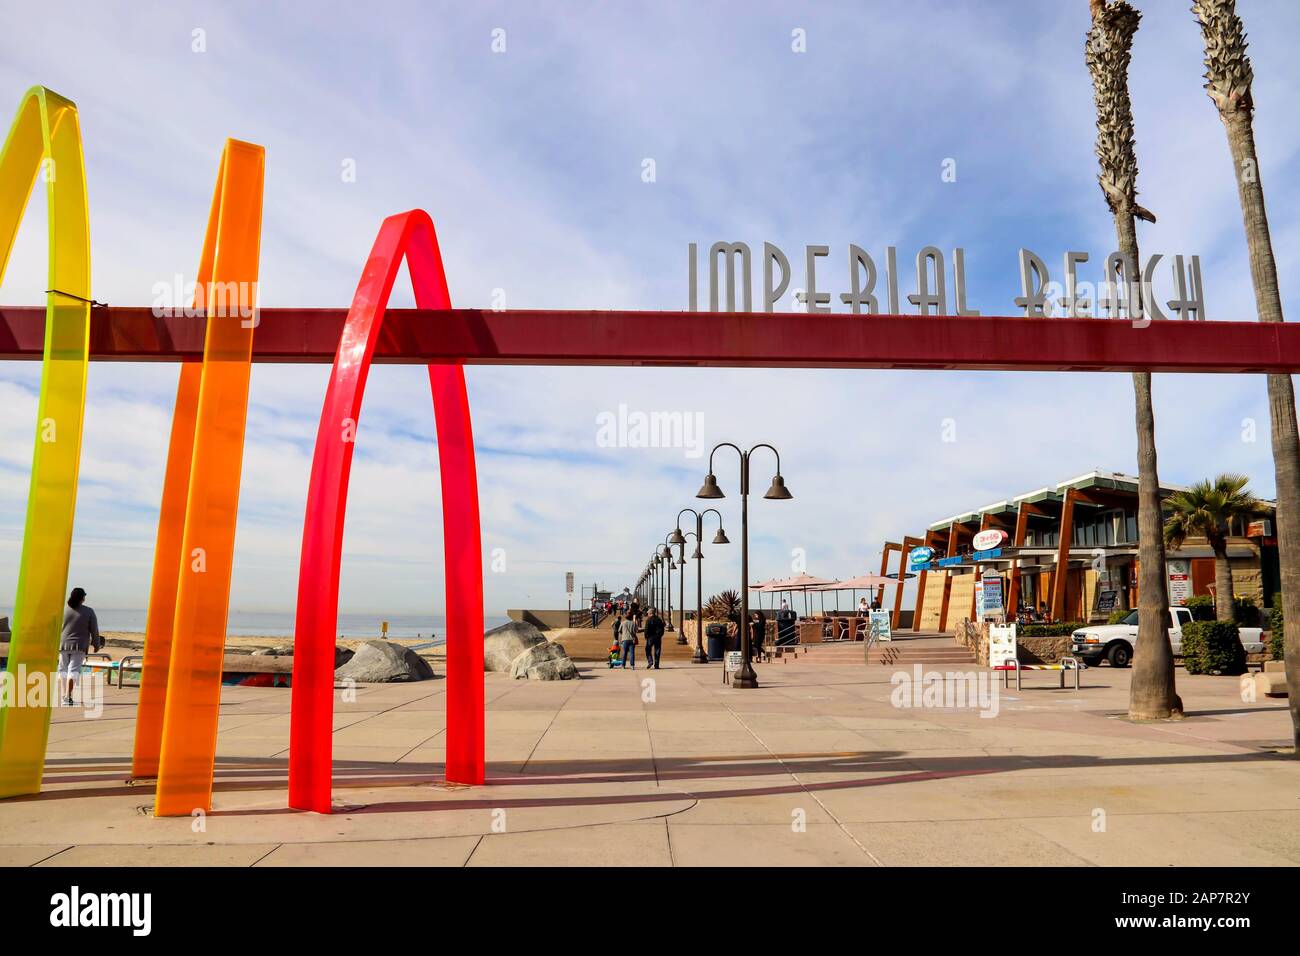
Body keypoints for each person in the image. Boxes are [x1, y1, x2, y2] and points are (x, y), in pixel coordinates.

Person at [59, 587, 100, 706]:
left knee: (63, 669)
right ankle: (67, 696)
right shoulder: (89, 611)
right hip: (79, 646)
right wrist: (96, 644)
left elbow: (55, 628)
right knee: (73, 670)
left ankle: (64, 695)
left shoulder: (64, 610)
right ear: (82, 598)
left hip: (63, 645)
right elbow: (94, 630)